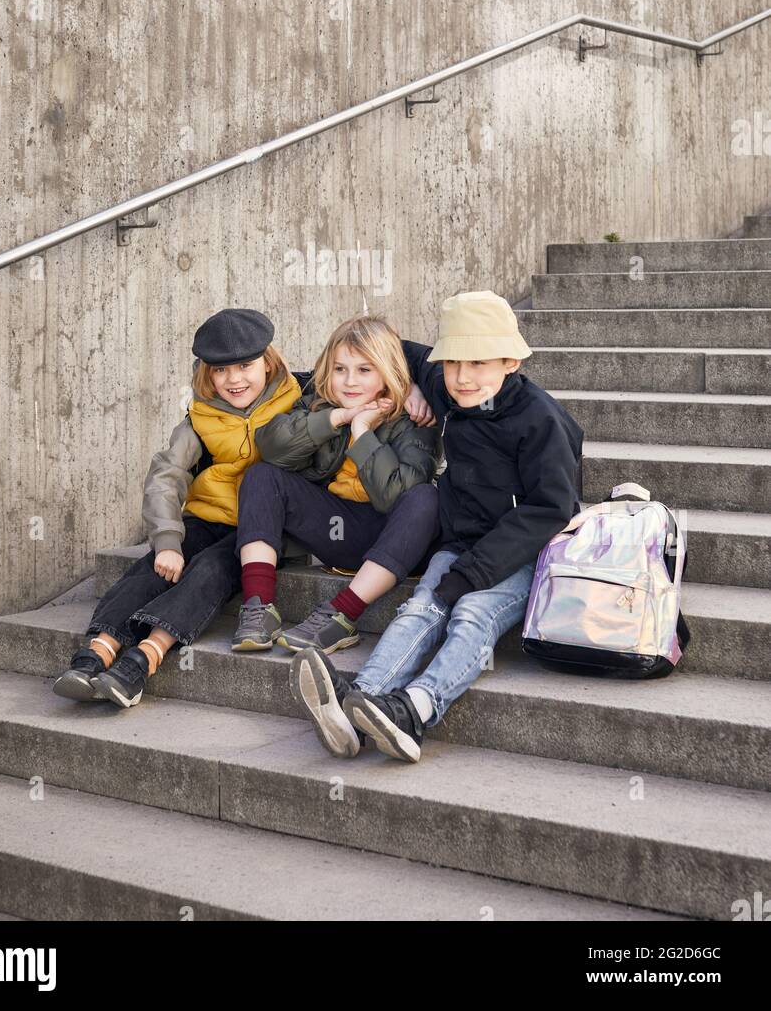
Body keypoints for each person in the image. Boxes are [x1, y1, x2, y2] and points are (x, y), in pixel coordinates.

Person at [290, 290, 583, 760]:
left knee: (471, 615)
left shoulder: (541, 420)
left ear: (510, 361)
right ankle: (358, 700)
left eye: (478, 364)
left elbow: (550, 511)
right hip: (460, 541)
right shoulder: (446, 386)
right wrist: (407, 384)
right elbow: (394, 347)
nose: (463, 379)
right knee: (421, 607)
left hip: (525, 552)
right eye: (452, 365)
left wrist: (469, 576)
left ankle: (414, 710)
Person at [53, 308, 302, 707]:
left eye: (244, 365)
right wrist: (168, 539)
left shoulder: (298, 401)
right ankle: (97, 650)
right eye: (220, 371)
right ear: (206, 373)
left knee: (211, 569)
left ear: (268, 362)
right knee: (158, 564)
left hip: (263, 530)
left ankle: (143, 660)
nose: (234, 379)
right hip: (208, 516)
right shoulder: (201, 415)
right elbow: (167, 475)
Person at [231, 314, 441, 655]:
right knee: (262, 475)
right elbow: (272, 446)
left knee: (425, 497)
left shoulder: (414, 418)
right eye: (340, 369)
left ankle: (341, 615)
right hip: (337, 531)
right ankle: (258, 607)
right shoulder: (320, 402)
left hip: (397, 541)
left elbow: (394, 496)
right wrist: (338, 418)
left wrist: (362, 433)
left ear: (387, 371)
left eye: (364, 370)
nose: (349, 381)